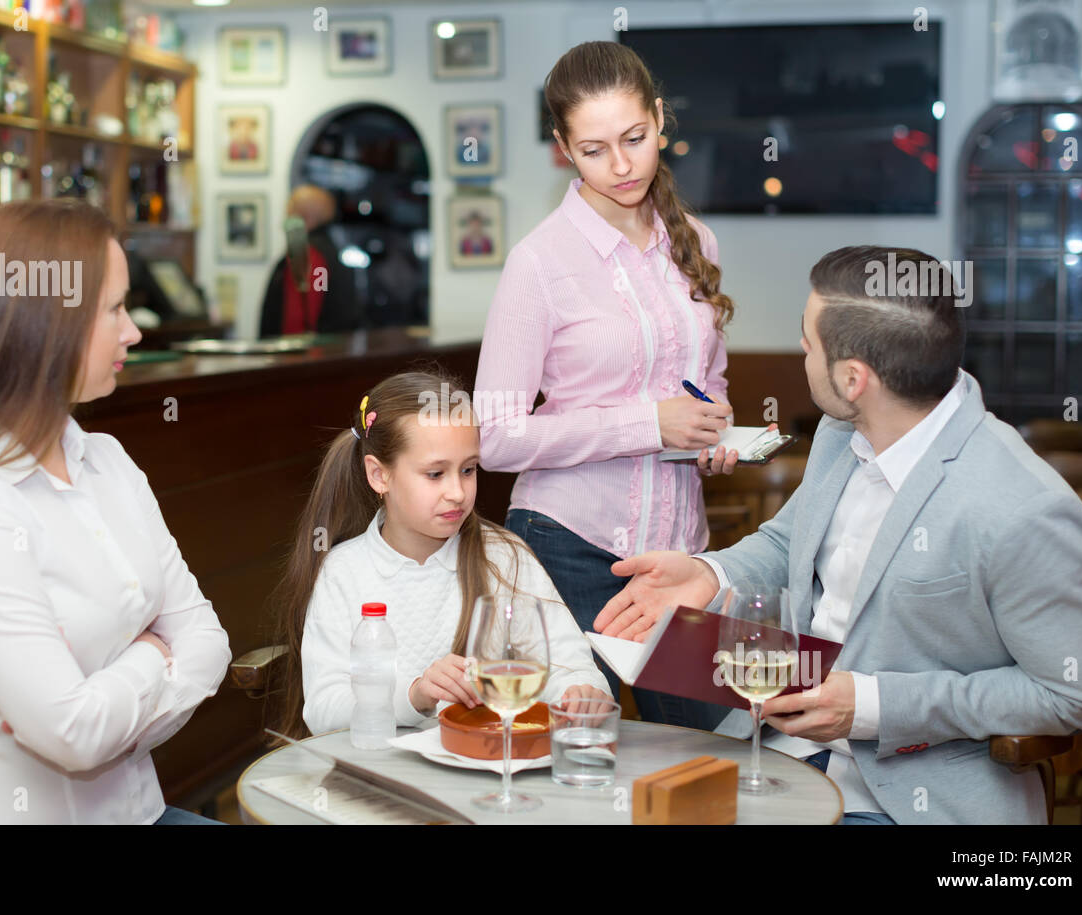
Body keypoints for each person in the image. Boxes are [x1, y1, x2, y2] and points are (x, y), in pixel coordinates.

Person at [594, 245, 1082, 824]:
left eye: (808, 340)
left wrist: (872, 708)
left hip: (911, 803)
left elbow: (1074, 695)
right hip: (771, 758)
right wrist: (711, 572)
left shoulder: (1024, 507)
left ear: (853, 378)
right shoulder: (842, 430)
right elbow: (790, 543)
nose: (799, 349)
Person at [0, 199, 232, 825]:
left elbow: (210, 642)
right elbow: (72, 737)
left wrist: (116, 707)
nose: (135, 331)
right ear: (45, 321)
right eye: (115, 308)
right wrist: (153, 658)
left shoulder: (108, 461)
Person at [475, 41, 740, 729]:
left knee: (698, 764)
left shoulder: (698, 241)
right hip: (568, 544)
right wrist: (650, 424)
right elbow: (496, 434)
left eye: (635, 138)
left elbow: (705, 382)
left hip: (679, 556)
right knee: (570, 764)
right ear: (563, 147)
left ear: (660, 119)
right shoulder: (538, 263)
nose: (622, 166)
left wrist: (715, 428)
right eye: (594, 149)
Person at [274, 370, 611, 737]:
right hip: (380, 777)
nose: (457, 492)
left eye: (468, 470)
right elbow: (323, 710)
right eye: (435, 474)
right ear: (379, 476)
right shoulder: (344, 572)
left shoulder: (506, 558)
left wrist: (582, 691)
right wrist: (414, 695)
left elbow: (568, 664)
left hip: (484, 770)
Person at [259, 184, 361, 338]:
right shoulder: (329, 250)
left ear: (303, 216)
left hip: (303, 356)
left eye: (290, 211)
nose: (284, 219)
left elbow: (297, 315)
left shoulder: (306, 254)